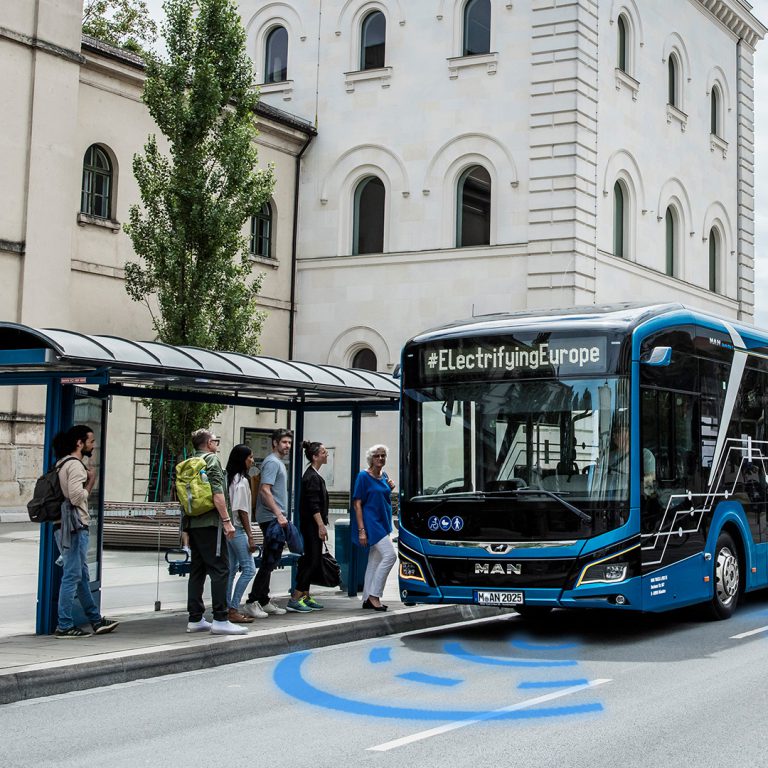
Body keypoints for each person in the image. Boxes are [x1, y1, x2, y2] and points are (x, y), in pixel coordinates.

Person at [52, 425, 119, 638]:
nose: (93, 445)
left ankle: (95, 620)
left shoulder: (61, 463)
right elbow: (75, 497)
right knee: (72, 576)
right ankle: (64, 625)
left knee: (81, 576)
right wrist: (91, 481)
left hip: (66, 526)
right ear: (79, 443)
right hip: (74, 527)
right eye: (90, 441)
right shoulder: (75, 466)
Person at [184, 429, 246, 635]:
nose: (217, 444)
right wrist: (227, 521)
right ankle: (221, 618)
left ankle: (195, 618)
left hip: (194, 523)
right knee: (221, 569)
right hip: (212, 524)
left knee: (198, 570)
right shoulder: (211, 461)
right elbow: (218, 494)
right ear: (209, 443)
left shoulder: (190, 460)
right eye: (216, 441)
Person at [243, 428, 293, 618]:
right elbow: (265, 490)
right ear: (274, 443)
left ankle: (263, 599)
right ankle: (252, 601)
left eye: (289, 442)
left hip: (273, 517)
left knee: (272, 560)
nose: (287, 446)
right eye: (284, 442)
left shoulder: (277, 462)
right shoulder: (272, 463)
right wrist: (279, 514)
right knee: (269, 560)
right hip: (271, 518)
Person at [352, 444, 397, 612]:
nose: (380, 458)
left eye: (383, 456)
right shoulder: (363, 476)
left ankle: (366, 598)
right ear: (371, 458)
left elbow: (381, 494)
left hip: (383, 521)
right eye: (377, 456)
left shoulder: (383, 475)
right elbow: (357, 503)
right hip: (372, 524)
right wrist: (361, 530)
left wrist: (390, 487)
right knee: (390, 556)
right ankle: (374, 595)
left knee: (374, 561)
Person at [287, 441, 330, 613]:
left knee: (311, 560)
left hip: (312, 525)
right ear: (315, 456)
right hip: (311, 526)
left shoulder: (313, 475)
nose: (326, 454)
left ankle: (304, 595)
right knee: (312, 561)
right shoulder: (311, 477)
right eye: (324, 452)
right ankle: (295, 597)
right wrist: (321, 526)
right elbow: (313, 504)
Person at [224, 444, 258, 623]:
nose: (252, 460)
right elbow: (242, 511)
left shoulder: (228, 478)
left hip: (227, 529)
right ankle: (233, 608)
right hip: (237, 529)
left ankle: (226, 606)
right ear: (242, 459)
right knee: (249, 569)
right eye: (250, 457)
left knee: (231, 569)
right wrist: (250, 536)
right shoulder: (242, 481)